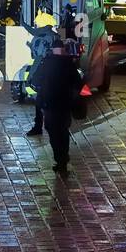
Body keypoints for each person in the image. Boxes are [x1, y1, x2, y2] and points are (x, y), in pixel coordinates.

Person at [33, 40, 81, 175]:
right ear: (63, 49)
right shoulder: (69, 64)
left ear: (52, 49)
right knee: (64, 132)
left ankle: (59, 159)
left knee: (53, 132)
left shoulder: (46, 63)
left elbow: (35, 80)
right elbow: (78, 83)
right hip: (65, 104)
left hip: (50, 104)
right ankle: (63, 160)